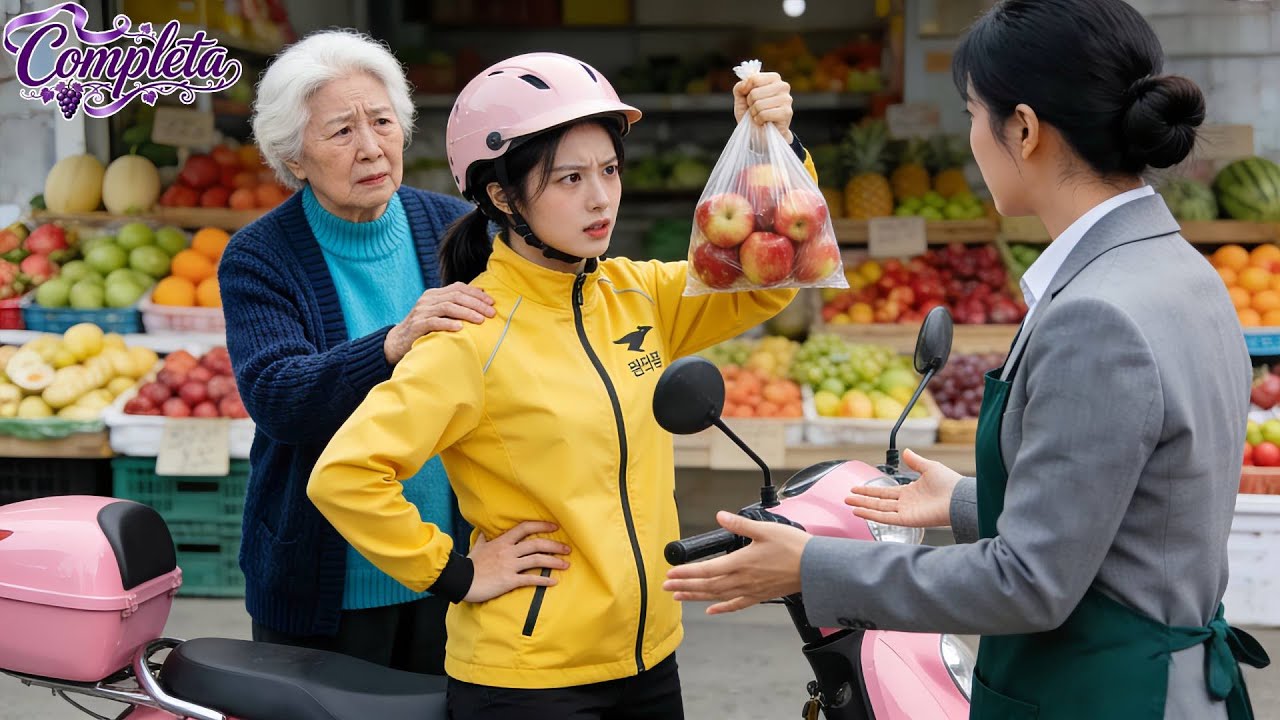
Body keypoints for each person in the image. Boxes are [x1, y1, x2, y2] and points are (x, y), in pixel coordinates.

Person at [662, 2, 1271, 718]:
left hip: (1105, 694)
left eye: (972, 113)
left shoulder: (1097, 315)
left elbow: (1029, 582)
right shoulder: (1180, 270)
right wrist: (966, 501)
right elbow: (1137, 519)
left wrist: (812, 566)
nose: (972, 137)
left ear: (1024, 129)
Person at [307, 52, 815, 718]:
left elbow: (771, 279)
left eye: (609, 170)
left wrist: (776, 145)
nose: (600, 197)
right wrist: (457, 573)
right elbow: (345, 476)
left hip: (650, 656)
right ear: (501, 197)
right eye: (569, 178)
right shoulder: (471, 334)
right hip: (528, 680)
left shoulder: (639, 294)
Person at [219, 29, 530, 674]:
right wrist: (392, 343)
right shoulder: (259, 256)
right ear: (294, 157)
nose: (370, 147)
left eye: (382, 122)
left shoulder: (457, 227)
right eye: (341, 131)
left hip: (456, 568)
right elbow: (278, 397)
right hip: (322, 583)